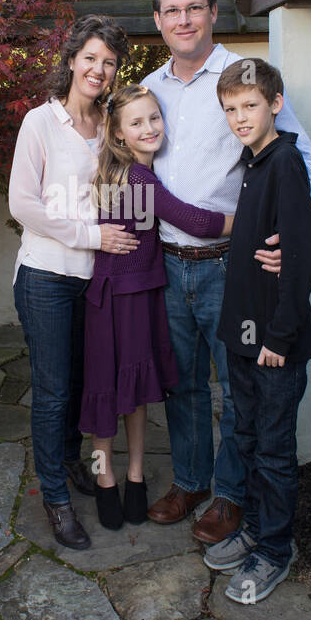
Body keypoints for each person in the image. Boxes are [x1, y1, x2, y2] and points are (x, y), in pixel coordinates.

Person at [141, 0, 311, 543]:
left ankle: (230, 495)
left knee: (239, 393)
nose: (183, 19)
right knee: (184, 384)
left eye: (193, 7)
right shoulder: (151, 89)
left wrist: (299, 245)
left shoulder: (242, 80)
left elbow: (306, 165)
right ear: (157, 20)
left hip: (233, 265)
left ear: (213, 13)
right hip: (169, 263)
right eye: (171, 10)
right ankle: (192, 479)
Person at [8, 15, 139, 550]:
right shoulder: (40, 122)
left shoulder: (112, 124)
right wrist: (91, 235)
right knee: (54, 389)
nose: (99, 69)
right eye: (90, 58)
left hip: (97, 280)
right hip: (45, 276)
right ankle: (57, 500)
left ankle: (67, 461)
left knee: (83, 384)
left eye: (108, 62)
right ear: (70, 60)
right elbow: (23, 205)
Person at [79, 84, 232, 531]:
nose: (149, 128)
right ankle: (107, 477)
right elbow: (195, 222)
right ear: (119, 134)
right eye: (136, 122)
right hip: (116, 299)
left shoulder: (130, 171)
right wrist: (254, 221)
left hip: (142, 292)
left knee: (138, 388)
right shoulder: (135, 176)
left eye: (154, 118)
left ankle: (135, 474)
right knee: (110, 388)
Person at [204, 59, 311, 603]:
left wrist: (278, 336)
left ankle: (274, 550)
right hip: (243, 339)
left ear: (275, 104)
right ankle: (252, 527)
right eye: (230, 109)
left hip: (275, 344)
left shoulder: (286, 162)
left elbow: (302, 256)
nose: (240, 117)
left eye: (250, 105)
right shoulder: (254, 164)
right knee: (245, 438)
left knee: (274, 450)